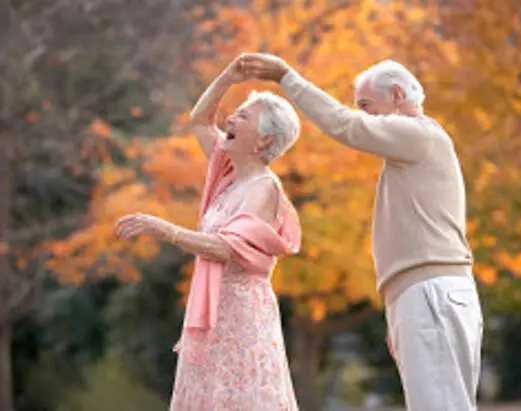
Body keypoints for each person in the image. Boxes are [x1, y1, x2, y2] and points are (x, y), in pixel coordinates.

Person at [239, 53, 484, 411]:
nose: (363, 115)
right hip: (424, 295)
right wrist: (398, 309)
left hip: (430, 294)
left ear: (398, 94)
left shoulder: (419, 135)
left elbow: (344, 125)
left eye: (368, 106)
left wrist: (287, 78)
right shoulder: (413, 151)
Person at [115, 59, 301, 410]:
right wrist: (227, 77)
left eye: (242, 117)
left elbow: (226, 248)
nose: (230, 119)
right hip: (216, 312)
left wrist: (164, 229)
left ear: (263, 140)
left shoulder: (264, 188)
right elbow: (200, 119)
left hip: (242, 317)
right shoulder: (229, 174)